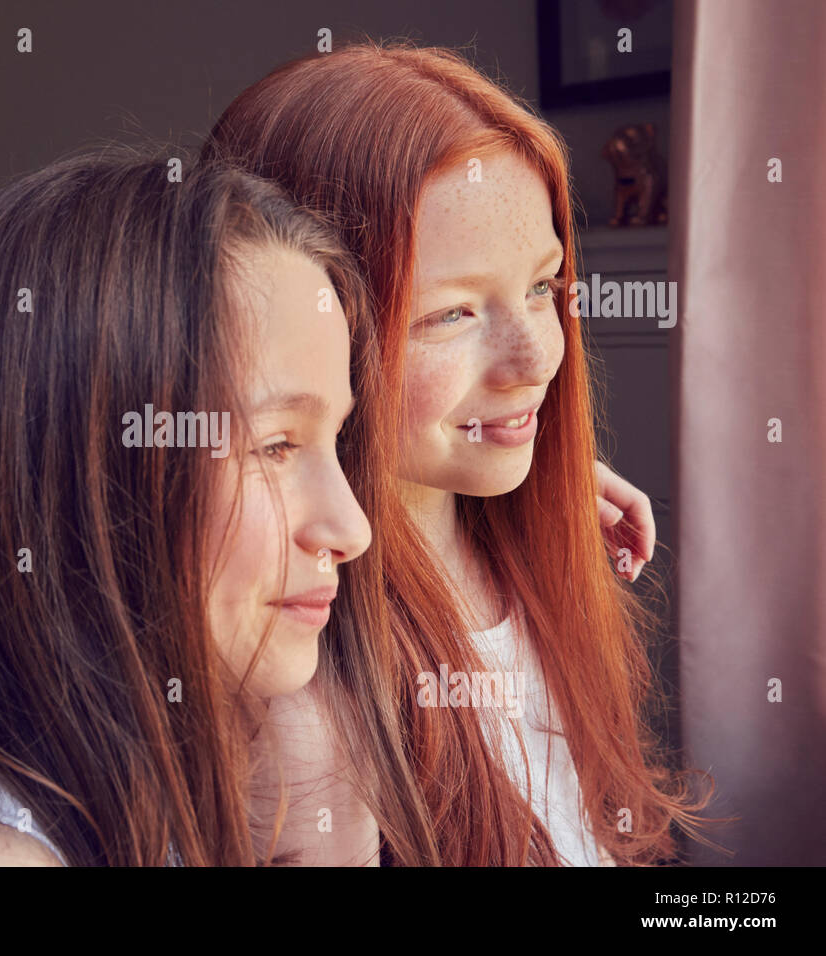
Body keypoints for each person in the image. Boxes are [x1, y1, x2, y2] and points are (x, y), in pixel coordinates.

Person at [0, 151, 432, 866]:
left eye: (337, 439)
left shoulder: (184, 740)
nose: (351, 529)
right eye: (275, 446)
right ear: (73, 482)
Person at [204, 40, 719, 865]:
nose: (536, 360)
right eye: (453, 315)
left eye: (543, 288)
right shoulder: (298, 689)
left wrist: (528, 478)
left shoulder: (535, 540)